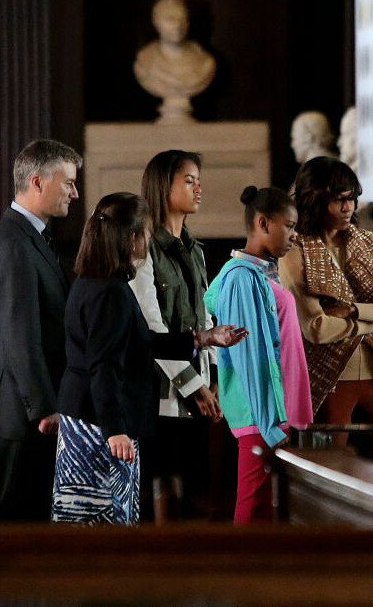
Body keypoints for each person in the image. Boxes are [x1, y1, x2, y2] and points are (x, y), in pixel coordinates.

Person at [52, 192, 246, 525]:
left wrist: (204, 337)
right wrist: (115, 431)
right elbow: (104, 365)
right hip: (100, 425)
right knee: (100, 524)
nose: (148, 240)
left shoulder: (98, 282)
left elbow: (140, 344)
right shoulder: (108, 292)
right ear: (130, 238)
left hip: (92, 417)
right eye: (144, 232)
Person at [278, 157, 373, 466]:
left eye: (352, 199)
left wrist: (356, 310)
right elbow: (314, 328)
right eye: (338, 199)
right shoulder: (295, 249)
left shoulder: (368, 243)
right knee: (330, 473)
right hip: (324, 379)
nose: (348, 207)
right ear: (314, 198)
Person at [129, 149, 245, 521]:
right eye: (189, 180)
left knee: (196, 485)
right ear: (165, 186)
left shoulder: (194, 249)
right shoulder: (144, 248)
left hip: (198, 387)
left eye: (199, 181)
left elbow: (204, 317)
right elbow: (152, 326)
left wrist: (212, 382)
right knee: (164, 477)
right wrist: (192, 384)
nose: (198, 189)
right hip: (160, 389)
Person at [0, 138, 82, 521]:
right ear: (37, 182)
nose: (75, 192)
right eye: (67, 182)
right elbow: (21, 336)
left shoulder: (30, 236)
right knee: (17, 530)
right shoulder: (14, 241)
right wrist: (46, 406)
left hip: (29, 411)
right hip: (22, 414)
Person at [204, 186, 312, 523]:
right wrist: (270, 423)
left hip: (276, 411)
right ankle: (238, 574)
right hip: (262, 414)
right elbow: (250, 356)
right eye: (290, 225)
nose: (294, 235)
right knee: (253, 505)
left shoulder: (262, 274)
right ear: (263, 223)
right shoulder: (241, 279)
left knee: (268, 507)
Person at [133, 0, 217, 123]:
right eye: (170, 19)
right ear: (156, 22)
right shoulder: (144, 63)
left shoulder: (205, 63)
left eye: (182, 19)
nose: (178, 25)